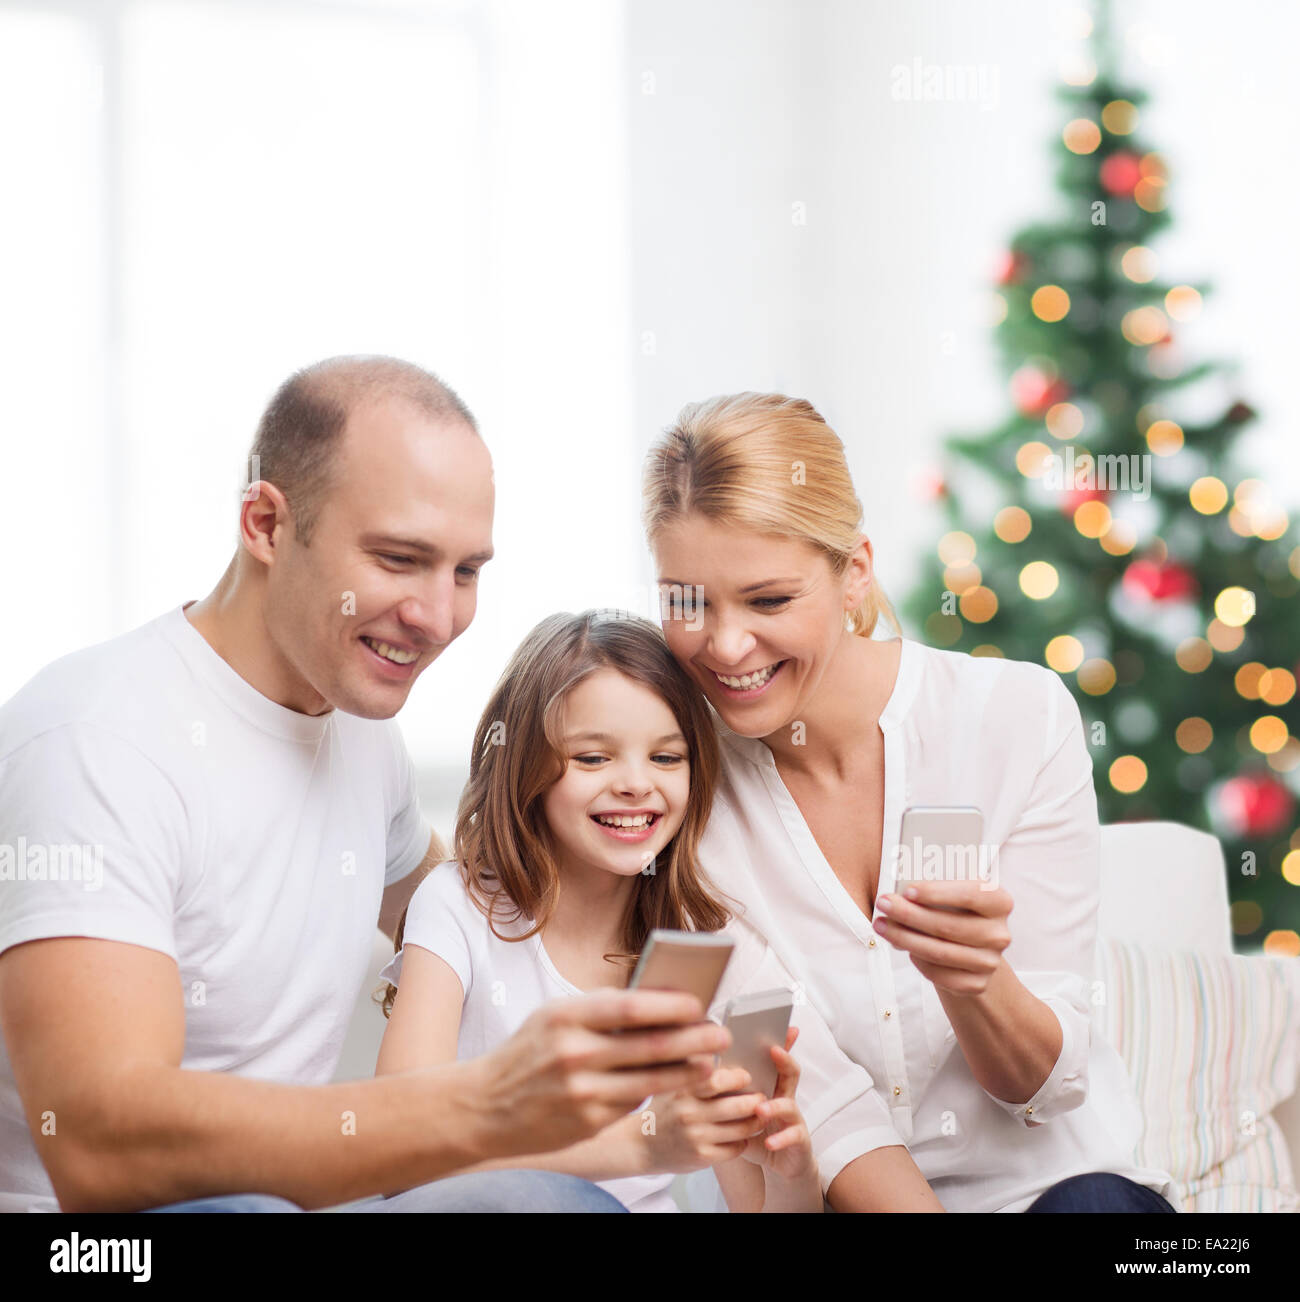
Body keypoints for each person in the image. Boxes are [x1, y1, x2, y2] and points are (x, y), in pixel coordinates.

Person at [0, 356, 731, 1214]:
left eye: (465, 572)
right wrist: (490, 1104)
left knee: (548, 1201)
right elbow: (99, 1150)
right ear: (267, 523)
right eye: (398, 558)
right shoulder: (96, 741)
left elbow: (473, 900)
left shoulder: (359, 733)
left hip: (297, 1207)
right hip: (100, 1244)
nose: (437, 616)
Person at [639, 391, 1181, 1214]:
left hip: (1054, 1193)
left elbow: (1046, 1089)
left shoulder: (1017, 718)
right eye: (688, 602)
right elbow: (817, 1104)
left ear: (854, 572)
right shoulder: (679, 792)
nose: (725, 646)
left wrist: (973, 984)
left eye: (769, 600)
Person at [375, 609, 945, 1212]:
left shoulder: (704, 947)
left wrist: (790, 1175)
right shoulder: (460, 906)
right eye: (593, 758)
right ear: (525, 767)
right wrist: (635, 1146)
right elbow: (399, 1156)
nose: (635, 784)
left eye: (666, 759)